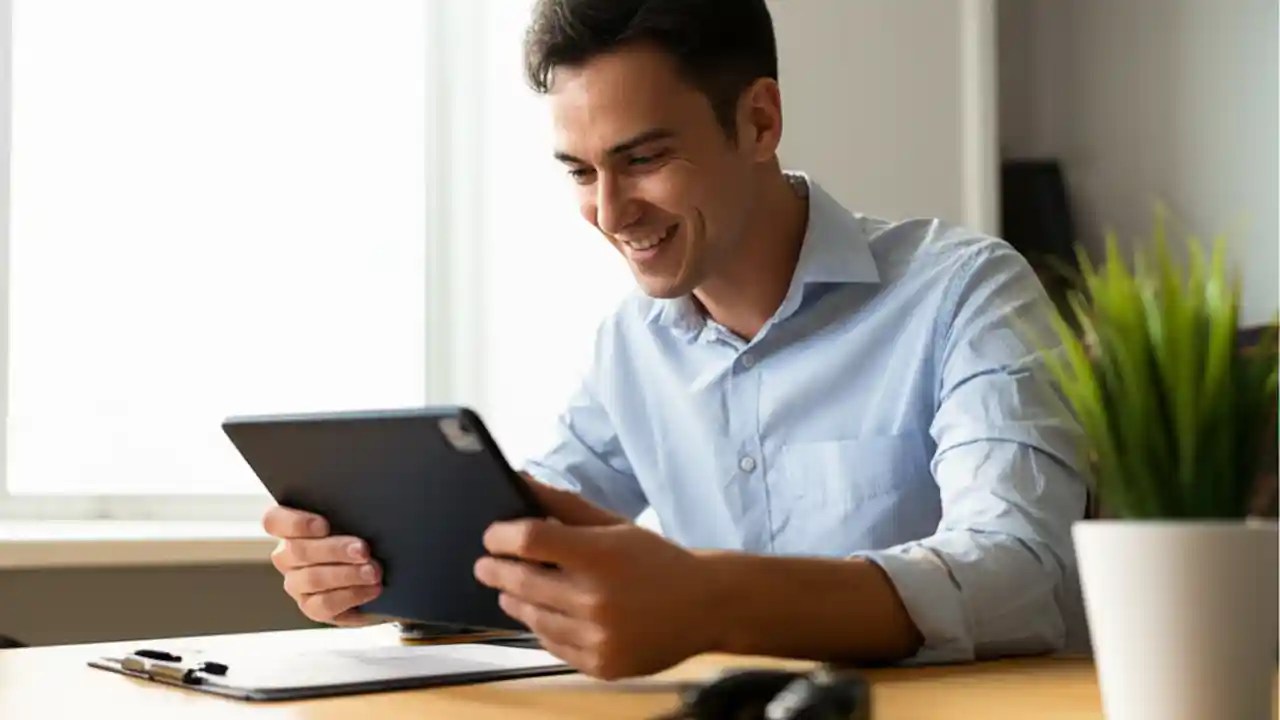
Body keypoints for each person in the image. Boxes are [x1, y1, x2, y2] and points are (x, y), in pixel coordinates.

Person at [262, 0, 1088, 680]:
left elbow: (1016, 573)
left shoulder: (962, 291)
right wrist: (387, 565)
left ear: (760, 121)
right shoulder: (630, 344)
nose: (611, 214)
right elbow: (535, 524)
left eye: (645, 158)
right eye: (582, 173)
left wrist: (709, 598)